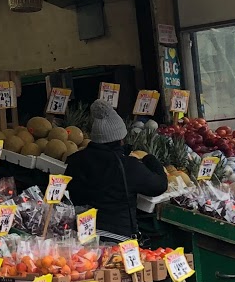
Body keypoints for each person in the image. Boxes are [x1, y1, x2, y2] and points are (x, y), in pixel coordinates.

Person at [64, 103, 167, 240]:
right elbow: (159, 185)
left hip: (80, 235)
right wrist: (150, 159)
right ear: (120, 139)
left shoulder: (75, 160)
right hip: (117, 239)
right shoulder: (128, 166)